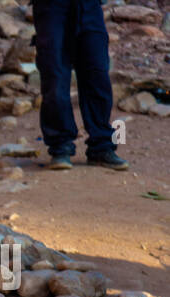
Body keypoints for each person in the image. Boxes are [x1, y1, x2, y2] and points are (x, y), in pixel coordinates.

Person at [33, 0, 129, 170]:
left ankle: (101, 147)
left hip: (89, 6)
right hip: (52, 8)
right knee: (55, 76)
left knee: (97, 74)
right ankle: (60, 148)